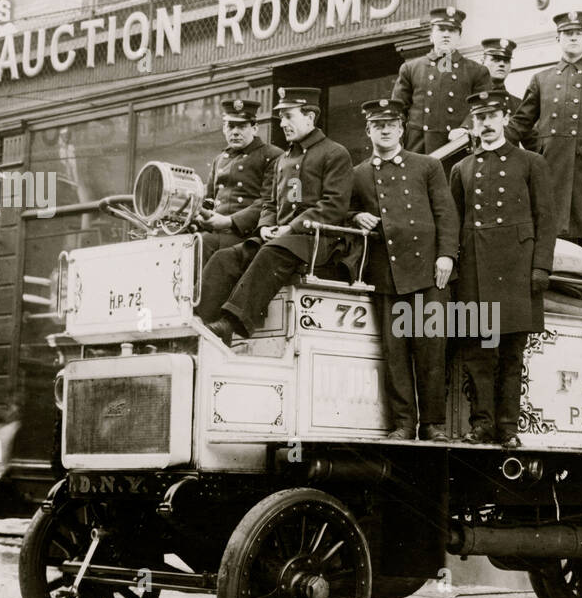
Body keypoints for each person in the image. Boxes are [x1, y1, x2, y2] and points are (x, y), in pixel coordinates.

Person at [195, 87, 353, 343]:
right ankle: (201, 324)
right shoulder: (285, 158)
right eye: (281, 118)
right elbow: (270, 202)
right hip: (282, 237)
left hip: (317, 240)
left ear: (310, 117)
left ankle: (230, 323)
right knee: (226, 258)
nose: (283, 124)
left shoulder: (334, 153)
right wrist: (266, 226)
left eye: (289, 116)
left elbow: (334, 205)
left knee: (270, 252)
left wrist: (292, 227)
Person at [450, 91, 556, 448]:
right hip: (477, 273)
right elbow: (454, 223)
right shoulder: (462, 169)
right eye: (479, 118)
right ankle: (482, 425)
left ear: (505, 118)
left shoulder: (530, 163)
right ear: (474, 124)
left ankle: (508, 428)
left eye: (493, 116)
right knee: (479, 354)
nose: (486, 124)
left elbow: (546, 219)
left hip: (516, 272)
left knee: (511, 354)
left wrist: (540, 266)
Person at [350, 98, 458, 441]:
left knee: (431, 348)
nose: (385, 130)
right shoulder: (358, 174)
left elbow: (446, 213)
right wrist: (355, 216)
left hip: (429, 270)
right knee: (394, 353)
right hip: (386, 272)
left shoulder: (427, 165)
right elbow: (341, 209)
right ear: (369, 131)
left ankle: (433, 424)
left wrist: (446, 256)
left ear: (401, 130)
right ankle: (403, 424)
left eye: (391, 125)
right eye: (378, 125)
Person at [506, 11, 582, 271]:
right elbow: (521, 122)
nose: (573, 38)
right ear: (558, 39)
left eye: (578, 33)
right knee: (552, 234)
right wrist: (491, 140)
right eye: (567, 34)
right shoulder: (542, 79)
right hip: (553, 170)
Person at [391, 7, 491, 155]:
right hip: (419, 148)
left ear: (459, 37)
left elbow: (482, 106)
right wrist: (396, 146)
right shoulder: (411, 68)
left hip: (457, 147)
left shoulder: (476, 71)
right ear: (431, 35)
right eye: (441, 29)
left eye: (452, 31)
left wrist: (465, 128)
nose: (446, 35)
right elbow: (397, 111)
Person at [196, 98, 283, 261]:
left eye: (242, 126)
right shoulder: (220, 159)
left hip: (246, 234)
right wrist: (203, 215)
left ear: (255, 128)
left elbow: (267, 202)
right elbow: (209, 198)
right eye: (230, 126)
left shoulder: (271, 156)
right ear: (223, 128)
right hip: (216, 232)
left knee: (200, 244)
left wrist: (230, 221)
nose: (235, 132)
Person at [479, 37, 524, 121]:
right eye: (496, 60)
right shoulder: (471, 98)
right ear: (482, 62)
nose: (502, 64)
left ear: (510, 67)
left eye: (506, 61)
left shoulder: (518, 104)